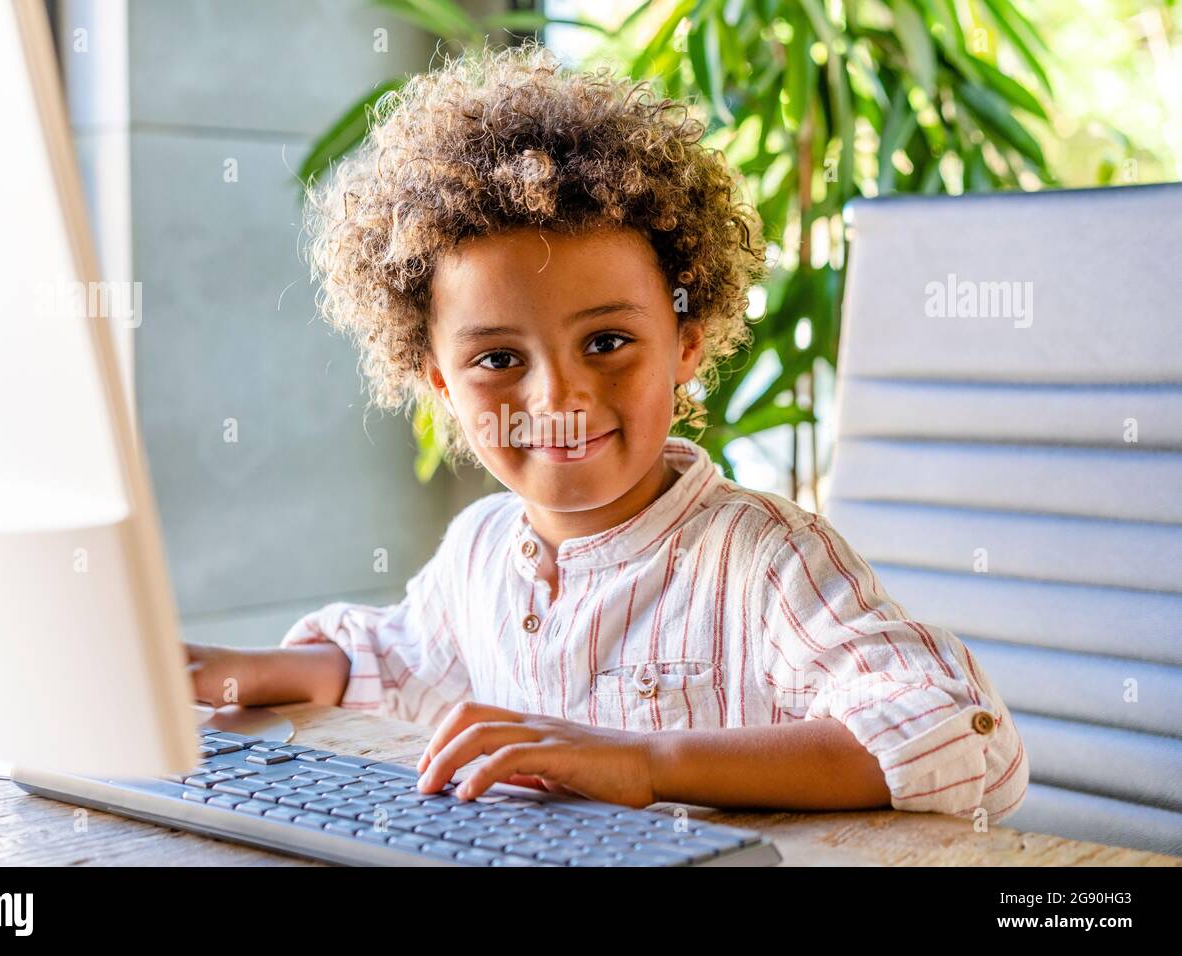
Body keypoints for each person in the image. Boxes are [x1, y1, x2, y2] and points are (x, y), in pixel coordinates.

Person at [187, 39, 1027, 823]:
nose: (560, 395)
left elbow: (959, 733)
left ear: (686, 343)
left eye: (608, 343)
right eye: (497, 359)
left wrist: (647, 760)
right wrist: (230, 672)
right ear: (439, 381)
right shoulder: (479, 551)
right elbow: (398, 662)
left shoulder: (765, 561)